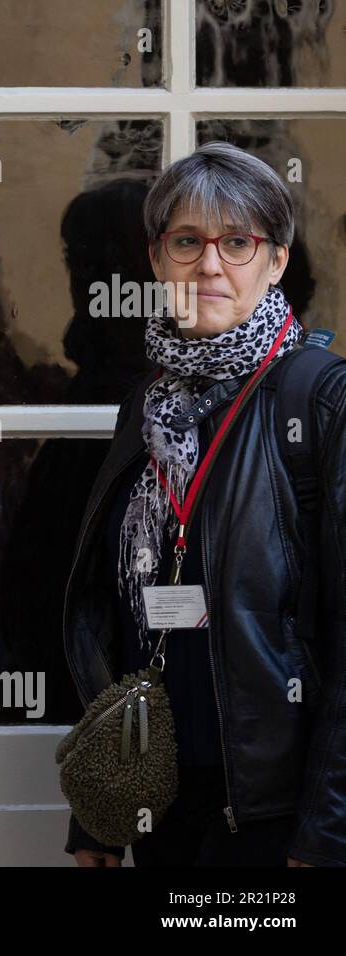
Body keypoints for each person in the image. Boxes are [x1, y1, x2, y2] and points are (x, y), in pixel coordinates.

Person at [63, 141, 344, 867]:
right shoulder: (147, 402)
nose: (209, 266)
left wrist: (326, 832)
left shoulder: (318, 395)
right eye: (187, 241)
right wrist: (99, 813)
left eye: (238, 243)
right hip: (162, 792)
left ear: (277, 260)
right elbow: (116, 612)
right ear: (158, 261)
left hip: (274, 810)